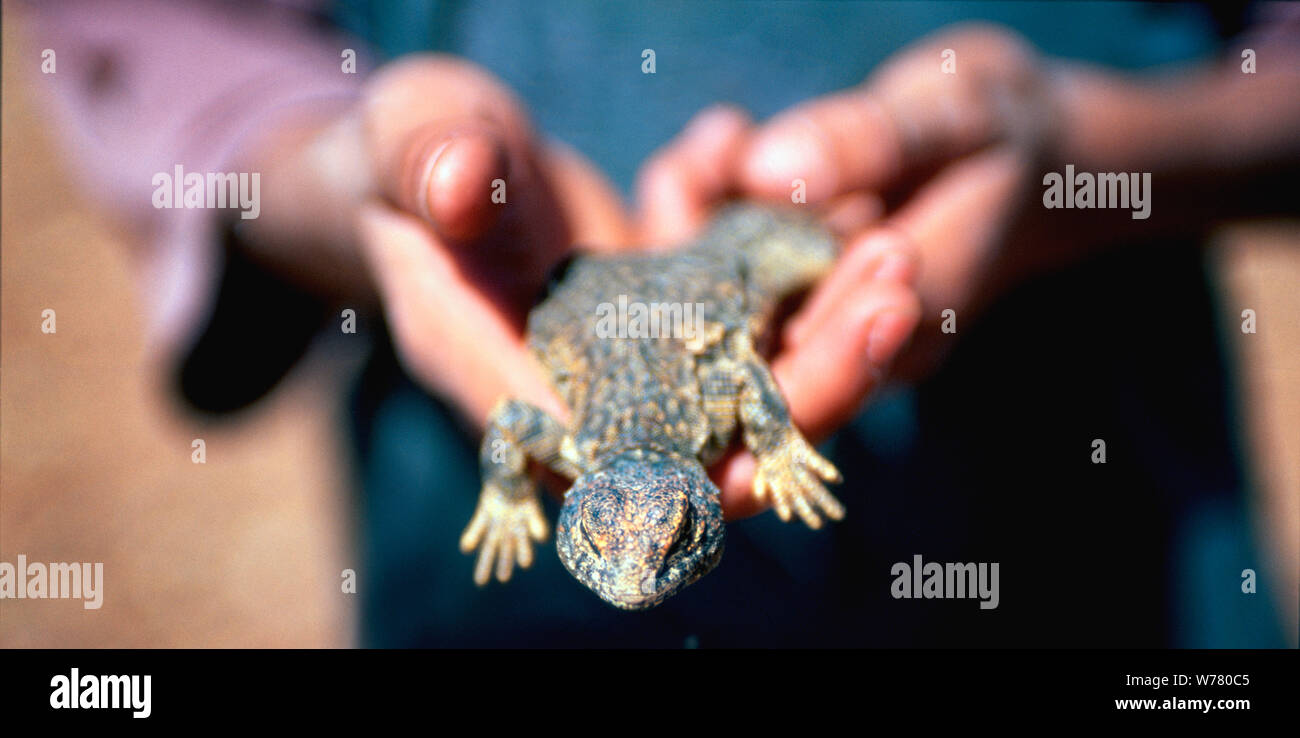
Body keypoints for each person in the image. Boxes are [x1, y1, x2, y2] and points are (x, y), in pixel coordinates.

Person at [26, 0, 1297, 646]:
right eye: (617, 540)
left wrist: (1090, 157)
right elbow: (156, 34)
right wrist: (337, 178)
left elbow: (708, 398)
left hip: (1108, 559)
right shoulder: (568, 440)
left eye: (639, 539)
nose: (636, 563)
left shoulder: (620, 420)